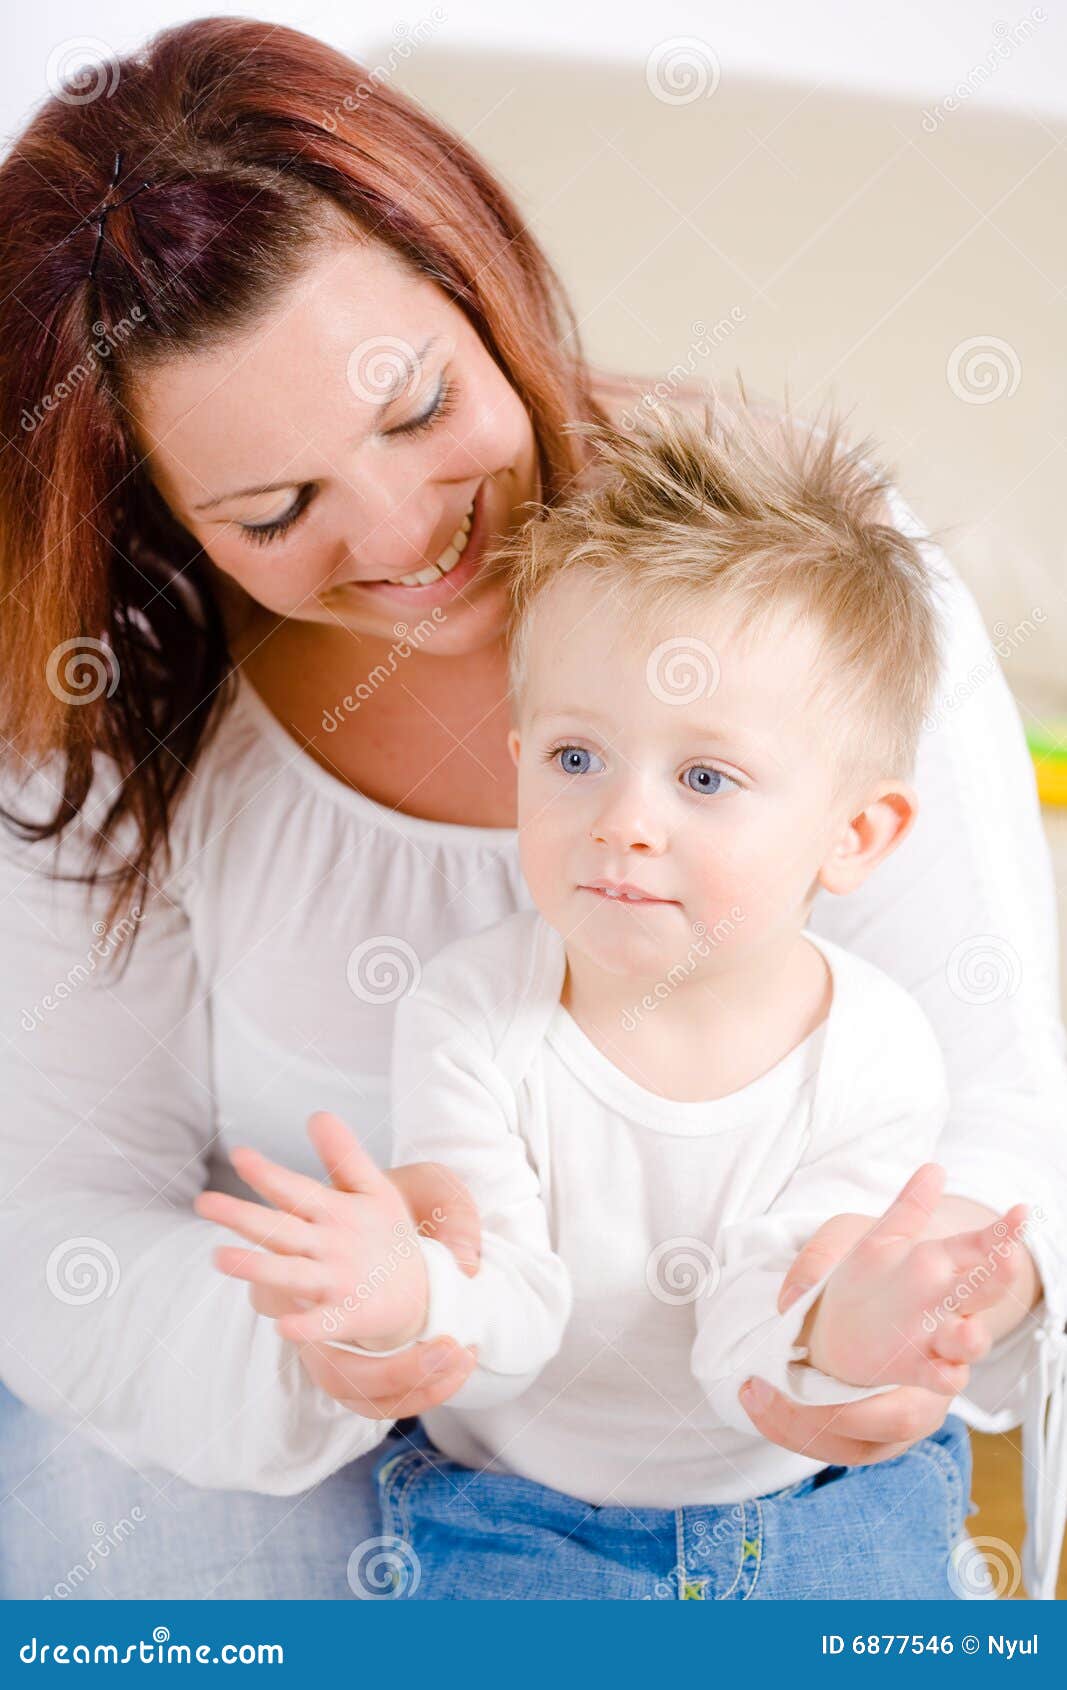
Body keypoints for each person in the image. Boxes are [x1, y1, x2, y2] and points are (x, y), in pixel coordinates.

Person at [0, 17, 1064, 1601]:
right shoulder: (110, 702)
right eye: (275, 510)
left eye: (419, 408)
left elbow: (1000, 1105)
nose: (405, 533)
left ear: (479, 279)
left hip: (768, 1427)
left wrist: (906, 1316)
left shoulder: (794, 574)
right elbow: (63, 1217)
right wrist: (334, 1335)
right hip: (281, 1402)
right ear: (156, 504)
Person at [198, 402, 1034, 1599]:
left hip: (813, 1502)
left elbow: (755, 1340)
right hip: (518, 1521)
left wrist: (842, 1330)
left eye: (703, 776)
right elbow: (508, 1313)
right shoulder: (473, 1011)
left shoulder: (875, 1047)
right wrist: (403, 1295)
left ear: (854, 833)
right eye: (575, 758)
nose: (623, 820)